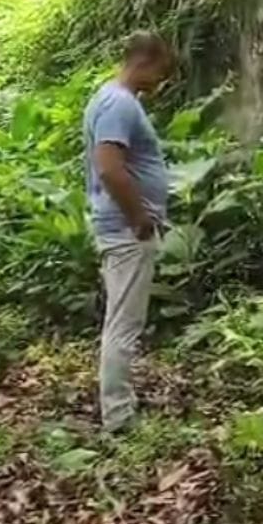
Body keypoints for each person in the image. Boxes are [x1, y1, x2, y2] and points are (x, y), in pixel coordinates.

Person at [83, 31, 174, 433]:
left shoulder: (115, 100)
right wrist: (139, 217)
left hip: (122, 228)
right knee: (123, 325)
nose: (161, 81)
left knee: (121, 321)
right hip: (126, 230)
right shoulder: (119, 103)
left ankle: (120, 406)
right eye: (161, 70)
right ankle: (119, 417)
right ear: (145, 60)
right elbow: (108, 167)